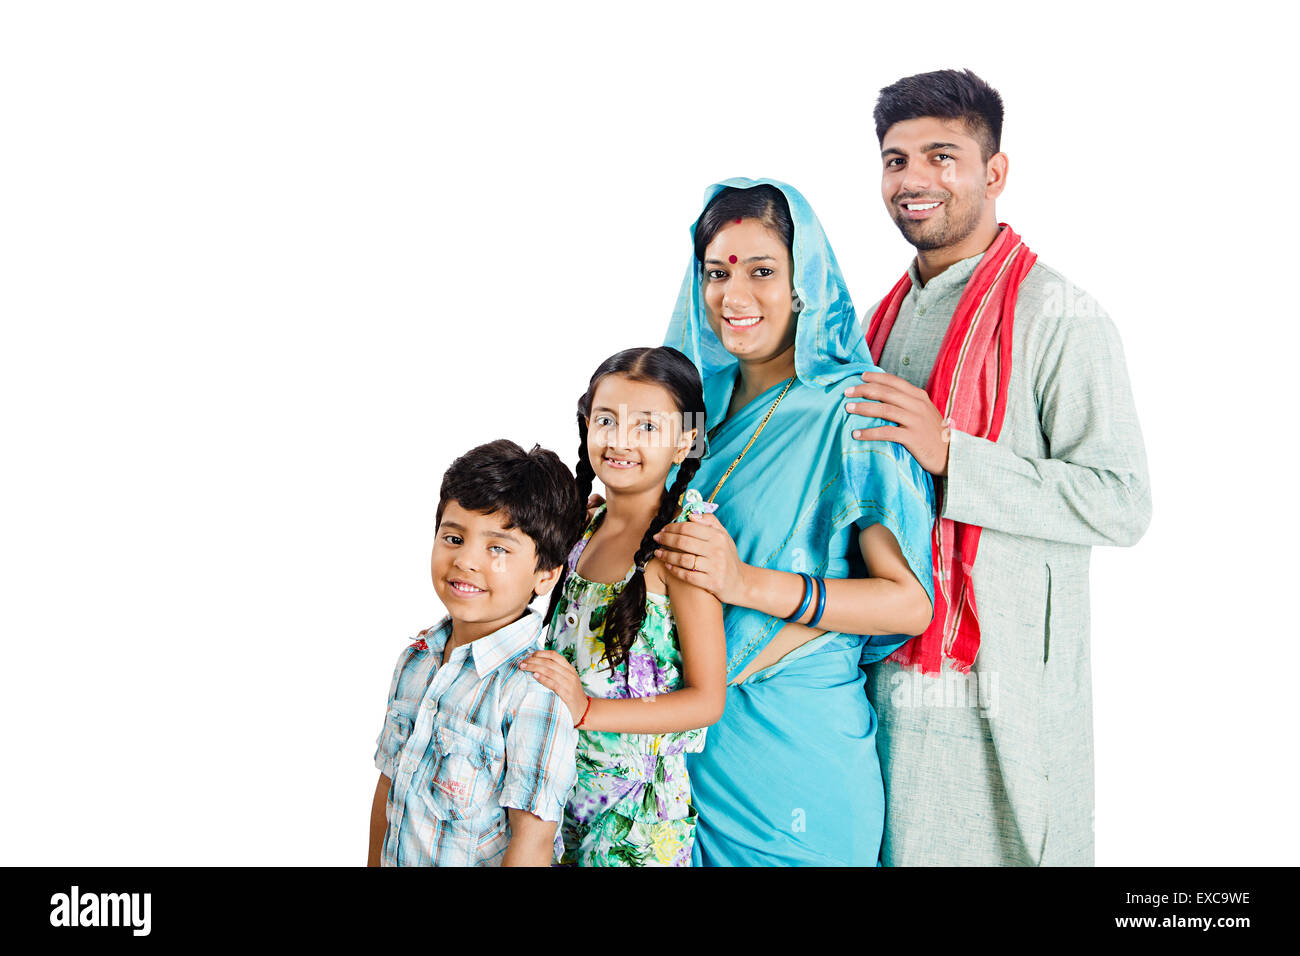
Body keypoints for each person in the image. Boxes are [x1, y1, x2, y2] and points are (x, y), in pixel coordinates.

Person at [845, 69, 1152, 866]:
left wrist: (952, 456)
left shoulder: (1059, 315)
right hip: (885, 677)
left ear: (995, 172)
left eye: (941, 156)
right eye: (895, 159)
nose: (913, 180)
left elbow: (1122, 502)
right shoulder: (877, 322)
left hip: (1006, 692)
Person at [652, 178, 935, 865]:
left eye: (762, 271)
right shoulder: (688, 403)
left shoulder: (855, 411)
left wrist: (746, 583)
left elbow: (910, 603)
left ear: (803, 279)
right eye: (717, 272)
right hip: (680, 753)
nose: (734, 295)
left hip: (795, 756)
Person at [518, 346, 727, 867]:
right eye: (606, 420)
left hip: (638, 820)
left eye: (647, 427)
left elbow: (707, 700)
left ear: (685, 442)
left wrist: (589, 711)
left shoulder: (682, 543)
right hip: (558, 789)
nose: (620, 440)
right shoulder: (583, 528)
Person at [366, 439, 584, 866]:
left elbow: (533, 844)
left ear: (546, 574)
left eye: (497, 547)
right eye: (453, 537)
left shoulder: (532, 694)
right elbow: (389, 789)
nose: (466, 560)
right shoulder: (417, 658)